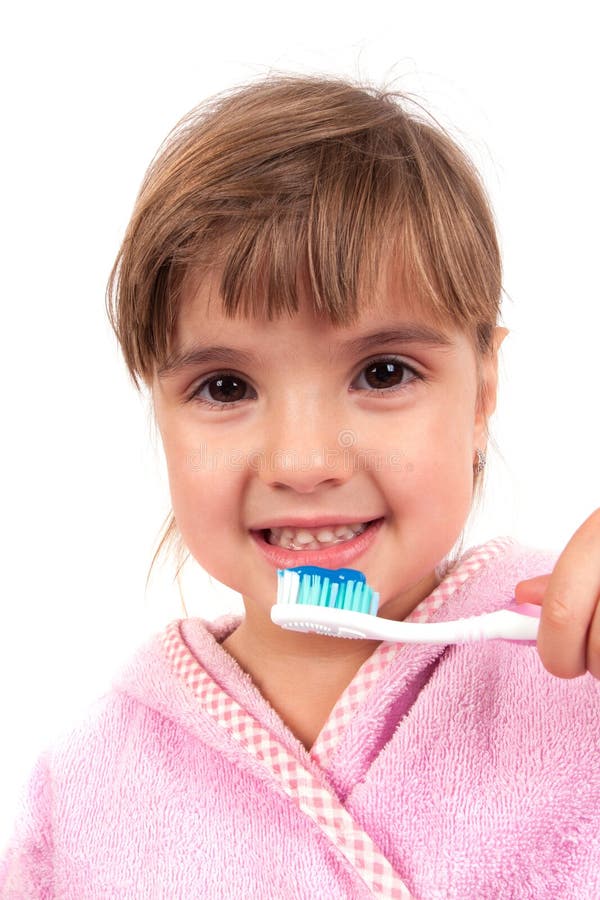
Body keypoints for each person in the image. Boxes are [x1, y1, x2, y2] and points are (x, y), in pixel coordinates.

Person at [2, 73, 599, 899]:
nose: (304, 460)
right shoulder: (82, 795)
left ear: (484, 389)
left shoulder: (578, 682)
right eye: (225, 388)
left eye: (383, 372)